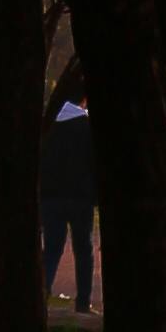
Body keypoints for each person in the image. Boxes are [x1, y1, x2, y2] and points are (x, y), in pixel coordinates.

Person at [40, 89, 100, 312]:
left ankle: (42, 294)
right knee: (83, 249)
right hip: (80, 197)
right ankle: (83, 302)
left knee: (52, 248)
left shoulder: (48, 125)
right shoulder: (86, 127)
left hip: (51, 196)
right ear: (83, 99)